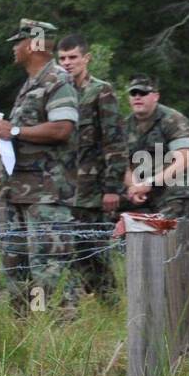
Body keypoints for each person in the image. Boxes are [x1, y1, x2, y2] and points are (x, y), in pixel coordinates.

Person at [0, 19, 78, 314]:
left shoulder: (57, 81)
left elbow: (63, 128)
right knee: (16, 262)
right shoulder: (30, 85)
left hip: (46, 194)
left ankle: (54, 327)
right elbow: (12, 130)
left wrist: (13, 131)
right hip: (21, 192)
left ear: (33, 44)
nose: (13, 48)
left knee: (48, 266)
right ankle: (24, 325)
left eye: (18, 42)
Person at [56, 33, 126, 302]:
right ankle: (69, 306)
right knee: (64, 249)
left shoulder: (101, 91)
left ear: (86, 58)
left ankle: (110, 303)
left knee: (93, 251)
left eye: (73, 57)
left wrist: (112, 188)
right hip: (62, 188)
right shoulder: (57, 92)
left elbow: (114, 142)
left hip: (91, 188)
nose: (67, 63)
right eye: (62, 58)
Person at [122, 74, 189, 219]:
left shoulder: (172, 119)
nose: (137, 97)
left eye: (143, 93)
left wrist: (150, 183)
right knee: (110, 207)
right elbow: (122, 162)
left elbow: (184, 159)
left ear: (155, 96)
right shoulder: (124, 125)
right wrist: (133, 187)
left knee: (172, 214)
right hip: (141, 187)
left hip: (171, 185)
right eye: (133, 93)